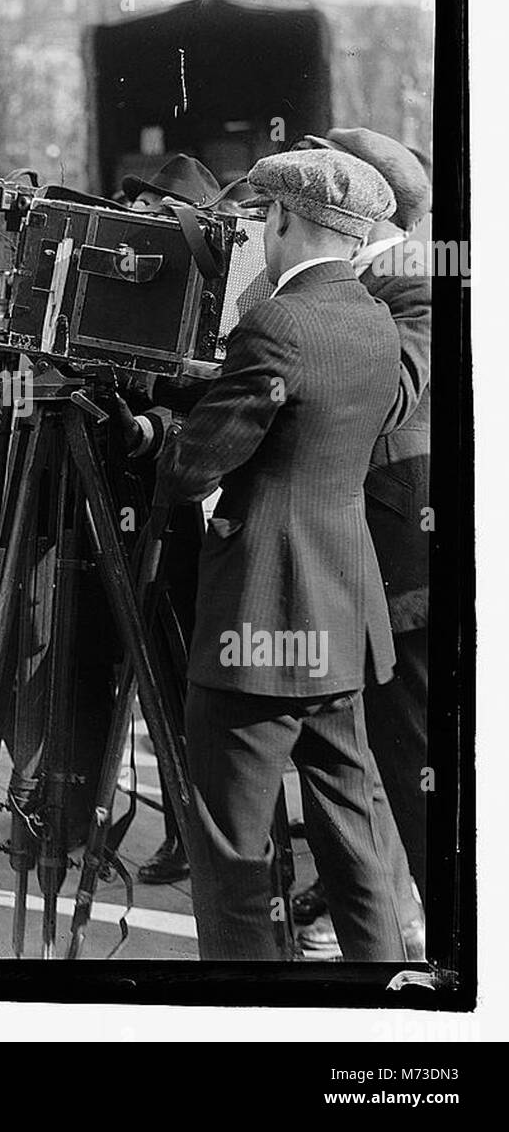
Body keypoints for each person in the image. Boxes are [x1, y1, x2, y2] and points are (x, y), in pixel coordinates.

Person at [124, 147, 412, 961]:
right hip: (340, 622)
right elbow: (299, 421)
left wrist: (157, 430)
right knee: (352, 842)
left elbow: (191, 470)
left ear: (283, 220)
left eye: (258, 219)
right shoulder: (371, 317)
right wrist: (216, 384)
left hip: (260, 629)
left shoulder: (277, 322)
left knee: (232, 854)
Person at [290, 127, 433, 952]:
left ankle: (437, 934)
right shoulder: (372, 282)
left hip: (403, 553)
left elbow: (385, 398)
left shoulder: (410, 281)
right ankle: (381, 902)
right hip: (363, 547)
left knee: (407, 745)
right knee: (366, 743)